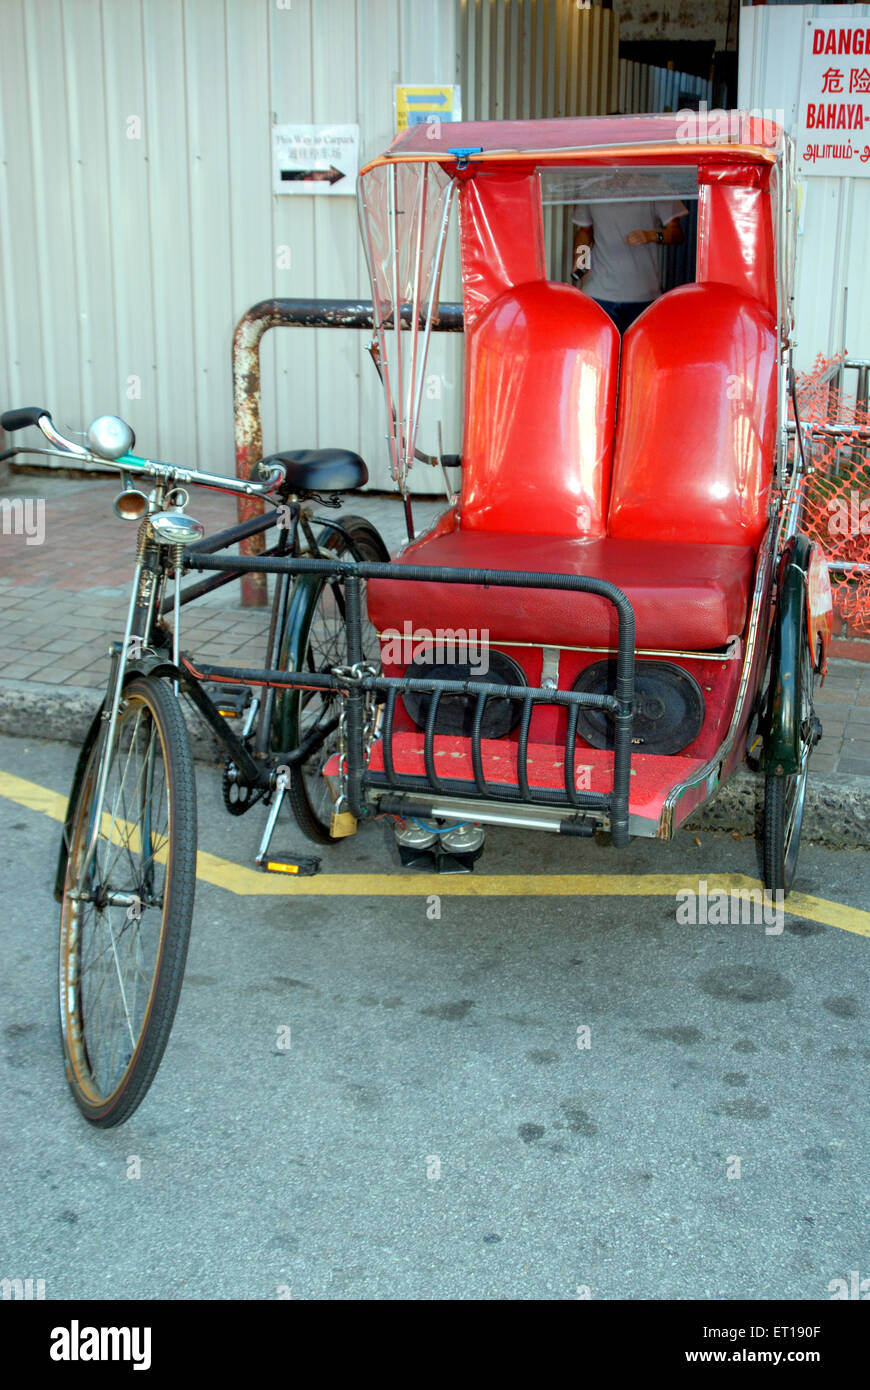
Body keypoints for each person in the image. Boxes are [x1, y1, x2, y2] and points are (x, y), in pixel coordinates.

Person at [571, 197, 688, 334]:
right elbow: (585, 231)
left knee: (638, 353)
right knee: (599, 351)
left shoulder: (654, 188)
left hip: (642, 296)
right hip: (598, 294)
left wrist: (652, 235)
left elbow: (677, 233)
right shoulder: (593, 188)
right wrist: (580, 259)